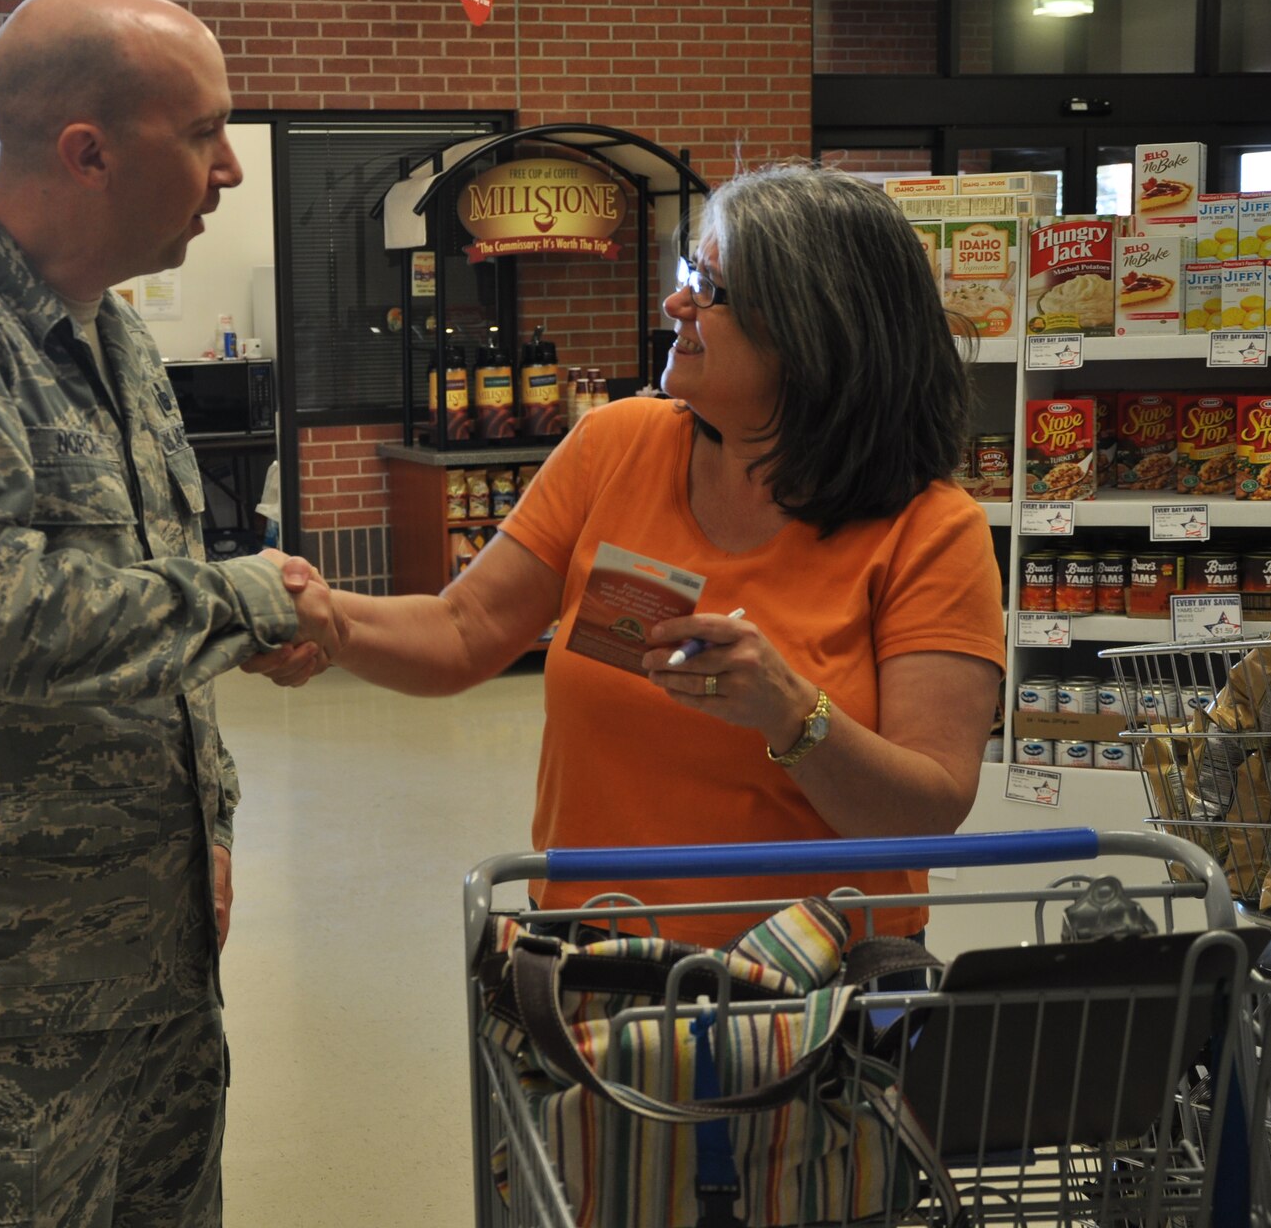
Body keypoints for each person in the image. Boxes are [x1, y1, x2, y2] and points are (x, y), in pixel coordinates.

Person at [0, 0, 337, 1227]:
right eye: (203, 133)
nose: (229, 172)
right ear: (87, 151)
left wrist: (209, 808)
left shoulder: (112, 338)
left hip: (149, 954)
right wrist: (242, 601)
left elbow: (132, 595)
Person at [253, 164, 1004, 949]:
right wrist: (325, 616)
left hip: (813, 993)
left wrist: (790, 711)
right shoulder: (616, 445)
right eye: (688, 277)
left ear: (813, 327)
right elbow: (464, 628)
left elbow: (929, 807)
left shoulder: (930, 531)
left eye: (709, 288)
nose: (677, 304)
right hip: (593, 964)